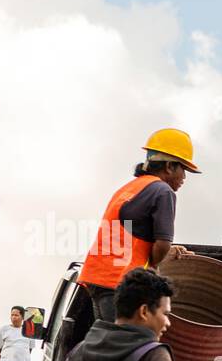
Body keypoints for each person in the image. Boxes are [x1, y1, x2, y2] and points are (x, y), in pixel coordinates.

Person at [79, 128, 200, 322]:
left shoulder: (130, 187)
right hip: (119, 281)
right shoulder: (163, 191)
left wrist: (166, 251)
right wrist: (161, 255)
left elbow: (128, 237)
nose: (184, 178)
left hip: (98, 276)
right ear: (169, 166)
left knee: (109, 341)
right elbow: (162, 244)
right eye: (183, 169)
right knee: (124, 343)